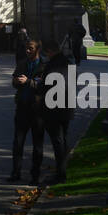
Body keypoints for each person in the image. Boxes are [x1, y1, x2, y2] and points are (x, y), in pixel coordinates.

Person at [10, 38, 45, 183]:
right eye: (26, 48)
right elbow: (13, 80)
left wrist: (29, 82)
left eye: (30, 48)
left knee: (37, 144)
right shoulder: (22, 63)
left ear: (38, 49)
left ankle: (35, 175)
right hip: (22, 107)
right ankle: (15, 172)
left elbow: (45, 85)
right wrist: (16, 82)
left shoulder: (44, 66)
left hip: (37, 110)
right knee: (18, 142)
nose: (27, 50)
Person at [38, 39, 71, 182]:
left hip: (54, 108)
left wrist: (38, 86)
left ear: (50, 51)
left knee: (57, 141)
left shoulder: (53, 65)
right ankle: (62, 169)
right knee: (62, 140)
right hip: (66, 106)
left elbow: (47, 85)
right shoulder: (67, 62)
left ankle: (61, 173)